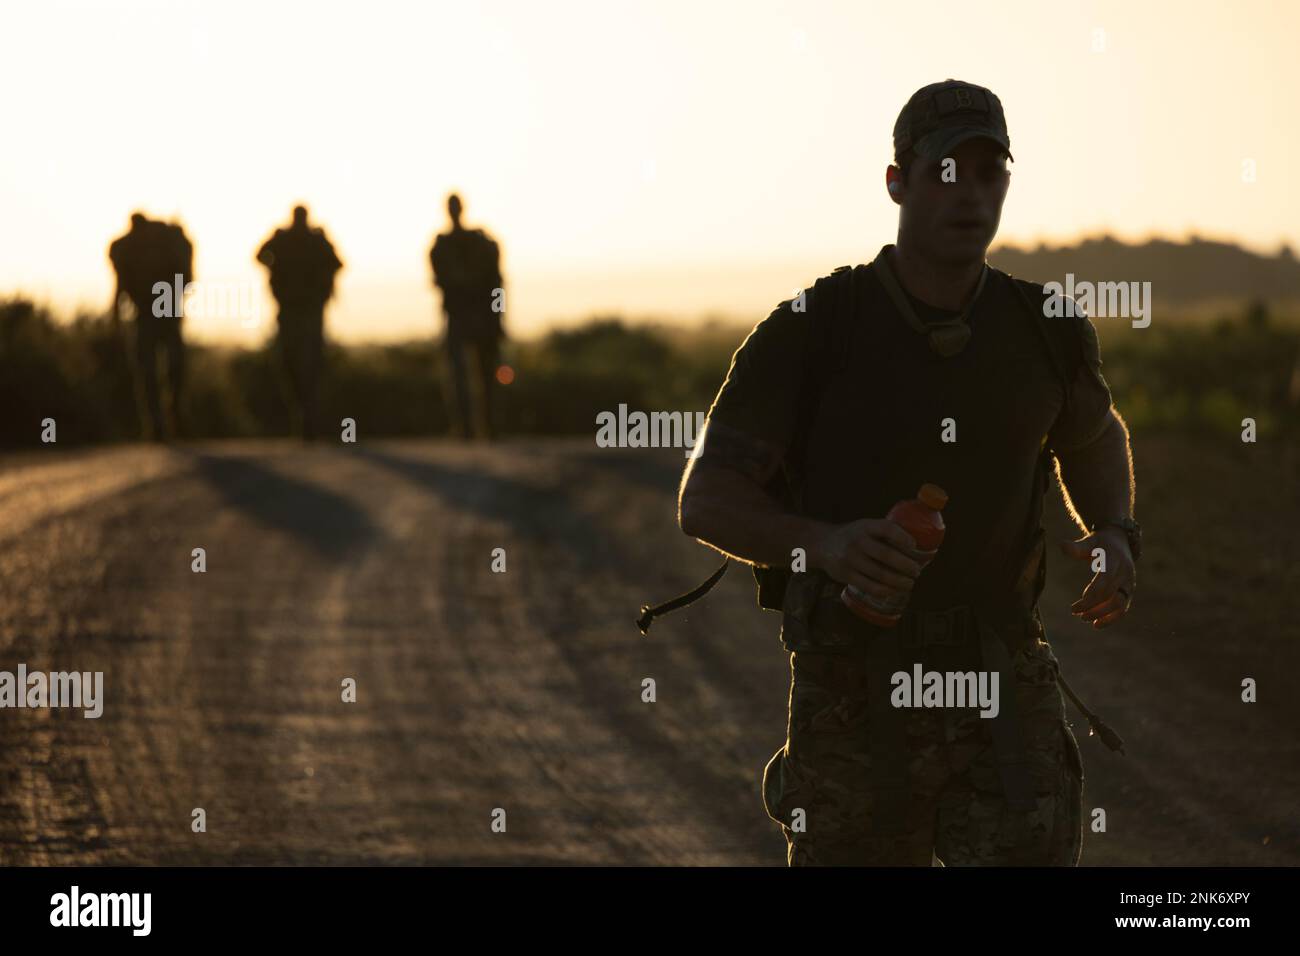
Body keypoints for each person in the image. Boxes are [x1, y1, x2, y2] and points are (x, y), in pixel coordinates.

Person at [677, 80, 1139, 866]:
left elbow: (1093, 437)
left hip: (1003, 678)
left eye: (989, 172)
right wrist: (824, 545)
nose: (971, 193)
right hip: (854, 690)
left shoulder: (1045, 327)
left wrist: (1116, 534)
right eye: (946, 172)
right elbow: (706, 501)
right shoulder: (815, 328)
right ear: (897, 181)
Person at [256, 205, 342, 440]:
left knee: (310, 366)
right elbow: (260, 256)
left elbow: (336, 264)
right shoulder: (285, 239)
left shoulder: (315, 241)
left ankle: (309, 420)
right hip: (291, 309)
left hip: (309, 310)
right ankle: (304, 418)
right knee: (291, 365)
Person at [108, 212, 193, 440]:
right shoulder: (151, 243)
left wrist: (115, 314)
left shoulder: (128, 246)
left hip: (155, 312)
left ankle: (162, 422)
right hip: (158, 310)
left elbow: (120, 285)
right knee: (160, 369)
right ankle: (165, 421)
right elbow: (186, 277)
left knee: (155, 370)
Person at [430, 193, 505, 440]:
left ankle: (486, 427)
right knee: (462, 377)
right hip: (462, 316)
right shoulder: (445, 245)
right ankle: (469, 429)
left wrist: (498, 318)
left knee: (484, 376)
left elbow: (497, 284)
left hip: (479, 317)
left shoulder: (478, 243)